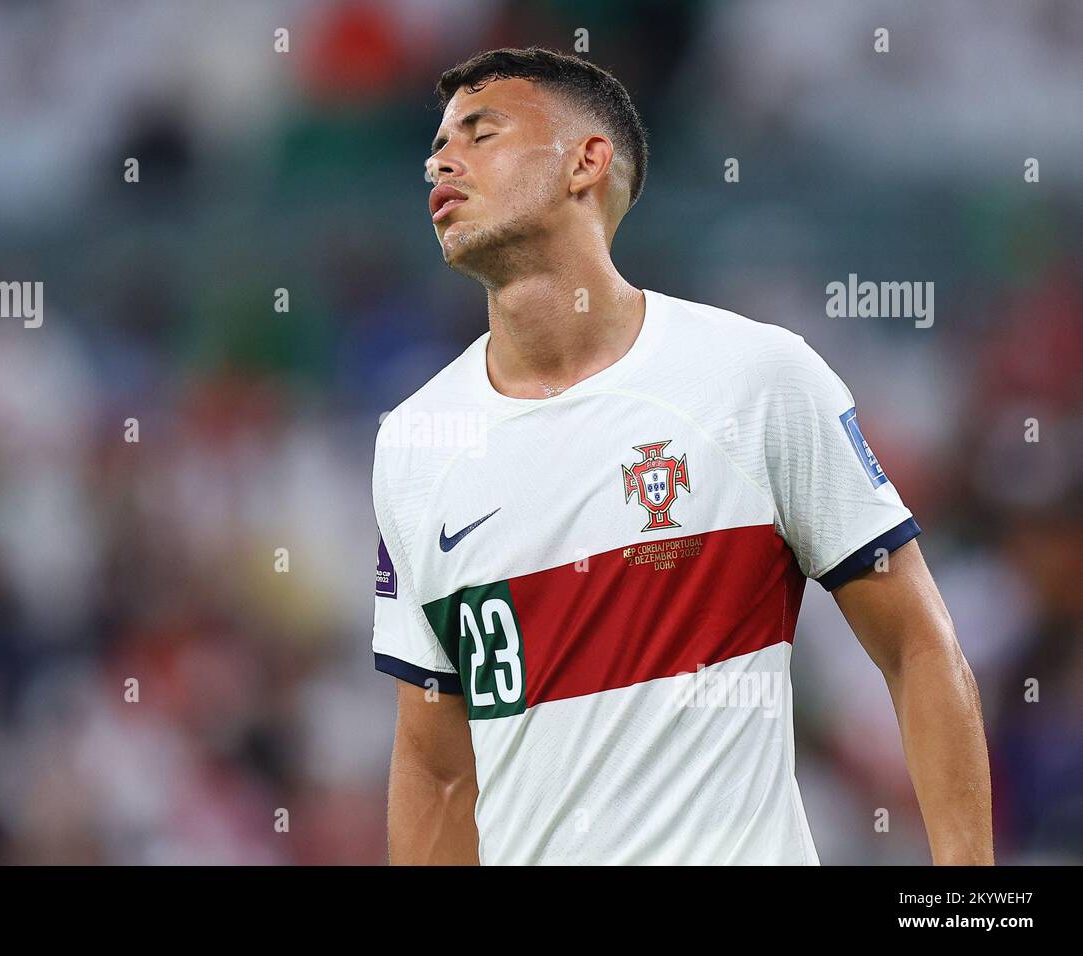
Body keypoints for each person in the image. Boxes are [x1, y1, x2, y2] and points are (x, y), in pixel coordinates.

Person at [371, 47, 992, 865]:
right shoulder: (414, 441)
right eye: (436, 148)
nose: (441, 162)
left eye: (481, 134)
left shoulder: (757, 378)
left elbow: (916, 644)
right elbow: (436, 764)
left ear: (585, 162)